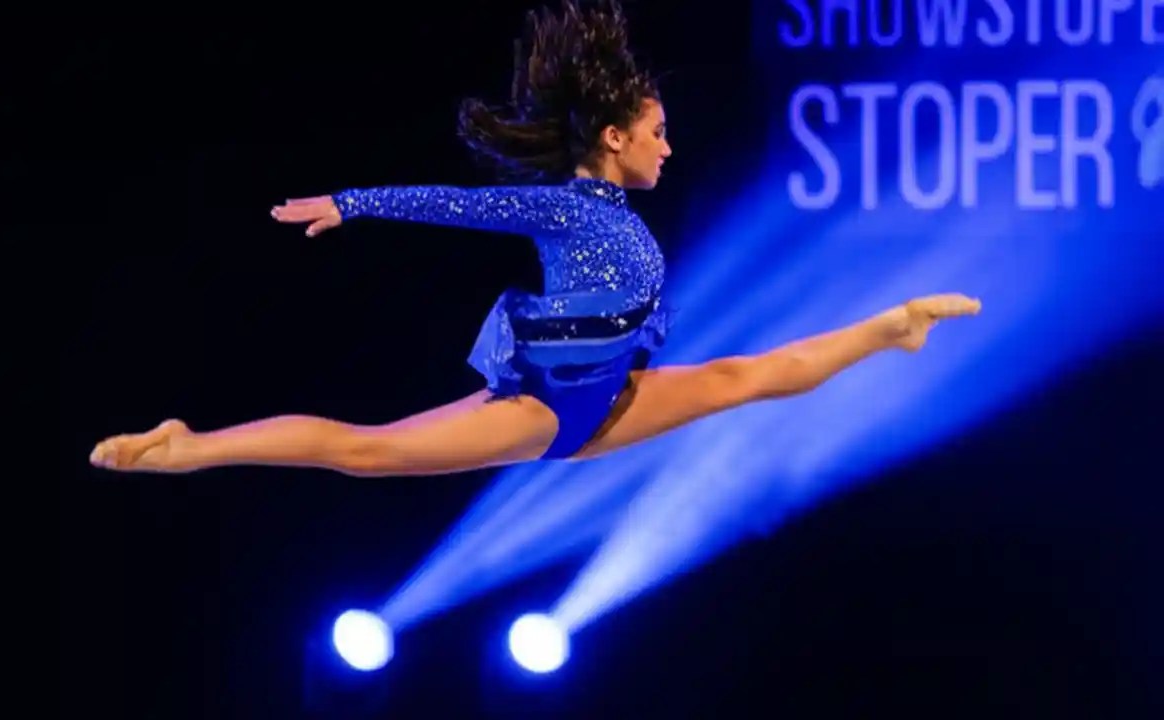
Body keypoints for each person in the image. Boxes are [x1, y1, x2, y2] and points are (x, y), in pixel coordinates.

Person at [88, 0, 980, 477]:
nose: (670, 147)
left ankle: (891, 326)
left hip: (610, 400)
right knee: (366, 450)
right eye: (658, 131)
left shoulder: (617, 215)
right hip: (549, 406)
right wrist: (354, 201)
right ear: (613, 138)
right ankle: (187, 444)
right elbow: (459, 203)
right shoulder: (564, 206)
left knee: (750, 378)